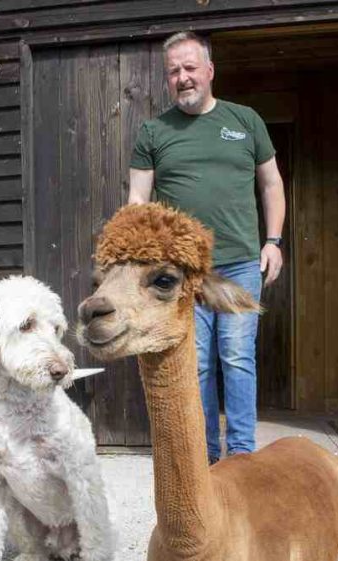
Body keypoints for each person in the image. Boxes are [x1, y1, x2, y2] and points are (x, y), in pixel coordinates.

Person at [128, 31, 286, 465]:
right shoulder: (153, 131)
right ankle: (203, 456)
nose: (182, 77)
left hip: (238, 265)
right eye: (173, 71)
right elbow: (137, 201)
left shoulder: (245, 121)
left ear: (210, 71)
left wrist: (273, 242)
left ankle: (240, 457)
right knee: (194, 363)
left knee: (236, 358)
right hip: (183, 272)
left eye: (190, 68)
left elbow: (271, 183)